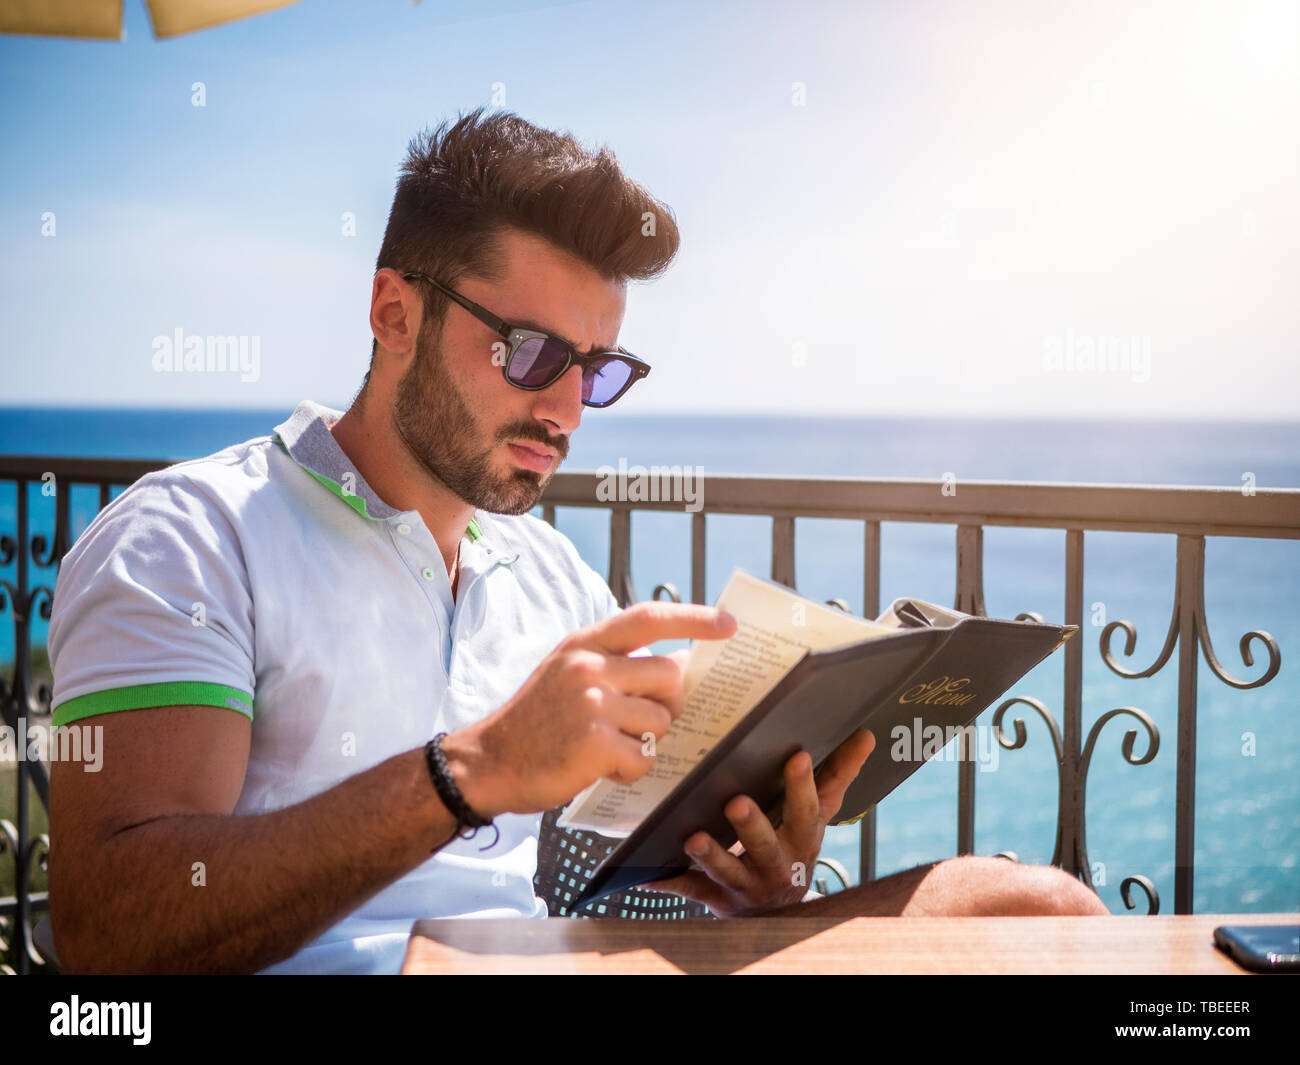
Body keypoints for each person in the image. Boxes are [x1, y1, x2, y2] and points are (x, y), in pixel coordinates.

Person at [46, 108, 1107, 976]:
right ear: (393, 313)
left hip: (559, 963)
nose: (565, 409)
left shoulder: (546, 574)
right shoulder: (191, 539)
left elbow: (564, 887)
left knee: (1028, 907)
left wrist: (743, 877)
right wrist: (471, 772)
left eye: (595, 368)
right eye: (529, 351)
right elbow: (113, 936)